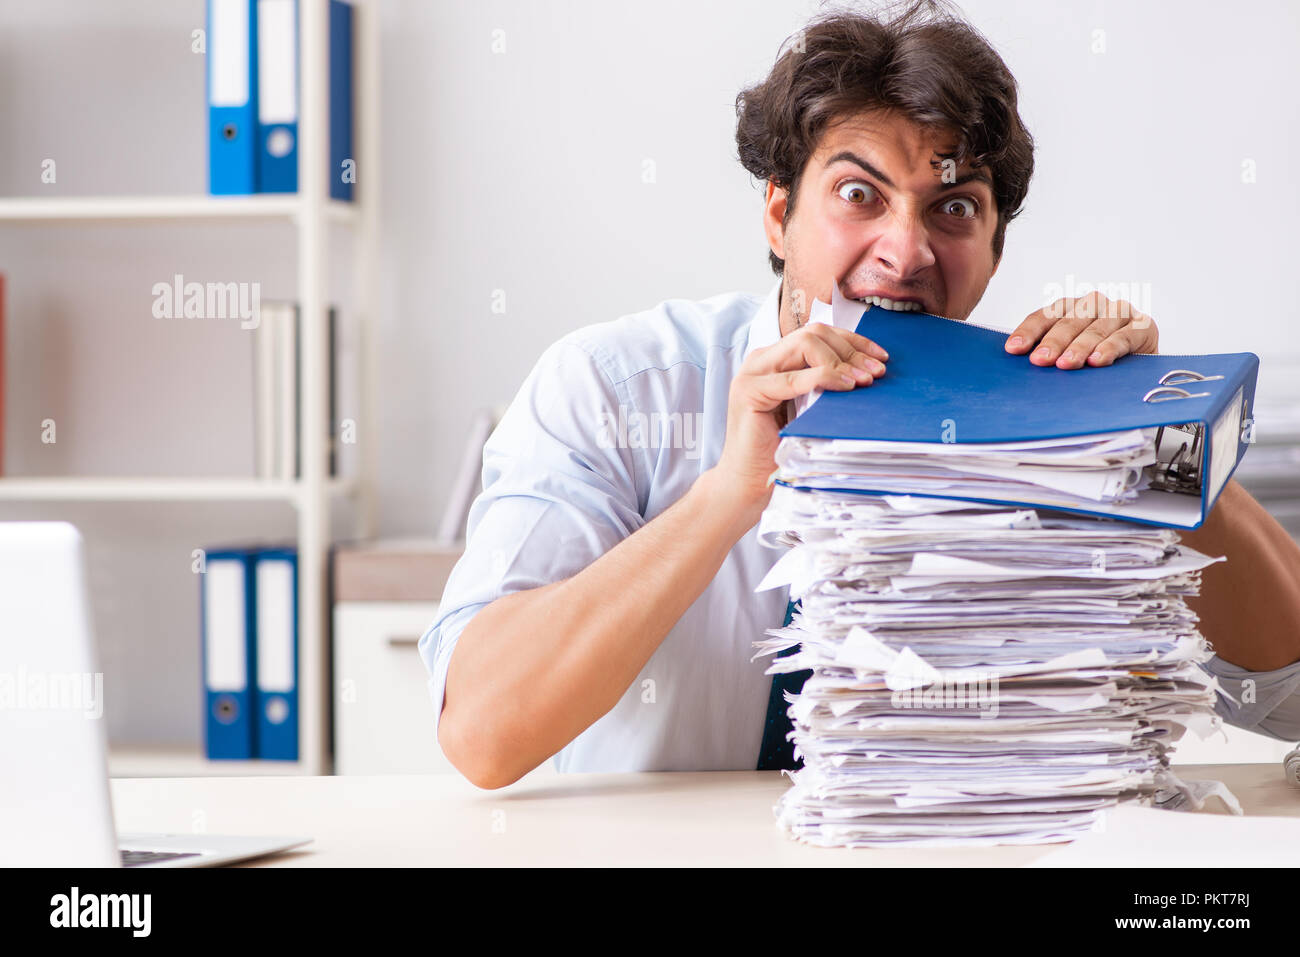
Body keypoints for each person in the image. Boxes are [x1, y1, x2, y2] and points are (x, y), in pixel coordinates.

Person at [421, 1, 1300, 789]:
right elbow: (484, 732)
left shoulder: (1053, 416)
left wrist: (1153, 442)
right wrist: (731, 492)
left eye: (954, 206)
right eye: (857, 194)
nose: (906, 249)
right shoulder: (613, 388)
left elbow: (1288, 695)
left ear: (993, 250)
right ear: (777, 213)